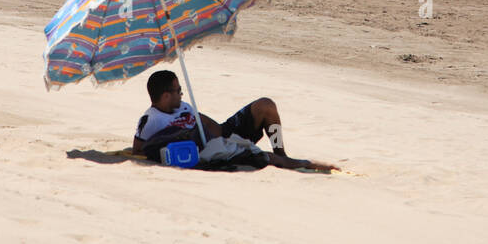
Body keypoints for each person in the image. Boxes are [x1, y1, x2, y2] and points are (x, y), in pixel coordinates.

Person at [131, 70, 336, 172]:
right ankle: (304, 164)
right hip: (207, 149)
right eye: (177, 91)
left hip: (220, 136)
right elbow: (139, 150)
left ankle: (281, 151)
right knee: (266, 159)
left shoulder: (183, 107)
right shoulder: (151, 120)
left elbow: (214, 126)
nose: (181, 94)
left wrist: (225, 135)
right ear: (165, 96)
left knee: (265, 106)